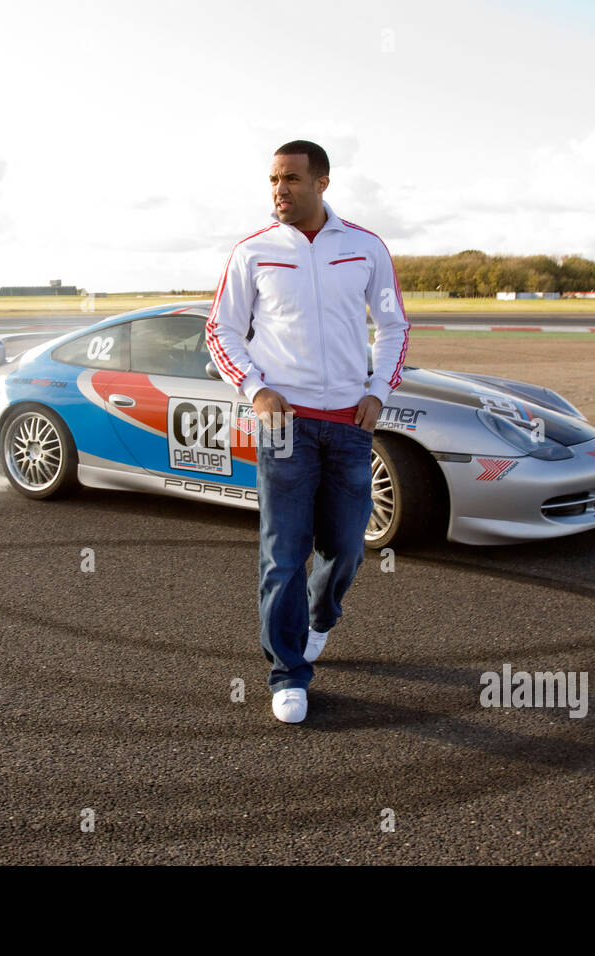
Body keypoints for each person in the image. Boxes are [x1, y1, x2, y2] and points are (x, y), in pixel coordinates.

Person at [206, 140, 410, 724]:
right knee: (283, 553)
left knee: (346, 547)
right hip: (284, 425)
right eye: (273, 179)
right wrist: (255, 388)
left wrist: (379, 392)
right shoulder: (253, 252)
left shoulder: (366, 247)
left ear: (321, 182)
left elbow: (394, 325)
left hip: (350, 424)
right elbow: (221, 331)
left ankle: (321, 618)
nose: (279, 190)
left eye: (291, 178)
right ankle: (287, 671)